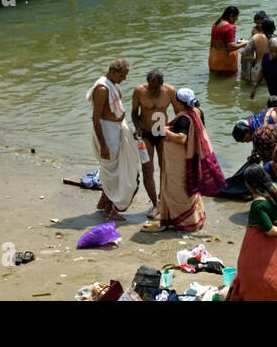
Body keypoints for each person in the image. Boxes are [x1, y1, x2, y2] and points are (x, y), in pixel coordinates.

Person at [226, 164, 277, 301]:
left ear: (250, 184)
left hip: (259, 242)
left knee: (250, 271)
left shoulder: (258, 204)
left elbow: (270, 231)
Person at [158, 88, 225, 232]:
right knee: (189, 188)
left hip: (181, 160)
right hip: (192, 157)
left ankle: (185, 222)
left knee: (177, 189)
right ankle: (196, 217)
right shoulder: (198, 112)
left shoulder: (184, 118)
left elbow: (182, 139)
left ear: (179, 103)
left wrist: (165, 131)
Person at [86, 59, 140, 221]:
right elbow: (96, 118)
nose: (124, 79)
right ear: (113, 72)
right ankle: (110, 209)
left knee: (113, 168)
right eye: (122, 75)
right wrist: (103, 145)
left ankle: (103, 202)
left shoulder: (112, 83)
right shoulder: (102, 89)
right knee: (113, 171)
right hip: (107, 133)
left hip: (115, 130)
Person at [131, 69, 175, 217]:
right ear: (147, 83)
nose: (153, 91)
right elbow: (134, 113)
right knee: (147, 169)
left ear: (162, 85)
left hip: (163, 134)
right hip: (146, 135)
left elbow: (178, 112)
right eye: (151, 87)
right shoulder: (139, 91)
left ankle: (162, 199)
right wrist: (137, 128)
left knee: (165, 169)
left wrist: (174, 131)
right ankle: (155, 205)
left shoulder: (170, 92)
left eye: (157, 88)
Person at [209, 6, 245, 77]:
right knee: (231, 83)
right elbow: (231, 47)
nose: (235, 21)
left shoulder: (215, 24)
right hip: (225, 64)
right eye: (236, 18)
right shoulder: (230, 27)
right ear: (231, 16)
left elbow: (220, 41)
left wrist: (239, 40)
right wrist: (244, 44)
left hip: (213, 60)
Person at [238, 11, 271, 86]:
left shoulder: (270, 30)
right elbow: (252, 48)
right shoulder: (254, 31)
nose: (259, 25)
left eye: (261, 23)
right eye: (257, 23)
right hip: (258, 59)